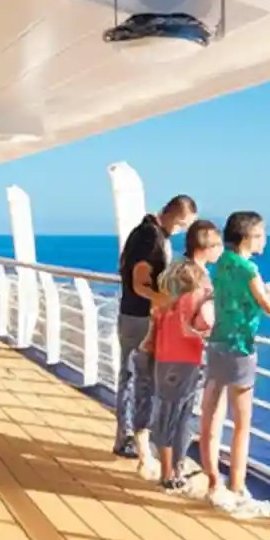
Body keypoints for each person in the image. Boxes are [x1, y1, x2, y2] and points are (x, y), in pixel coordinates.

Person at [200, 211, 270, 518]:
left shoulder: (224, 262)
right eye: (262, 234)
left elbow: (243, 298)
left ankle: (214, 484)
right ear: (247, 237)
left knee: (212, 418)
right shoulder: (248, 268)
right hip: (240, 348)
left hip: (217, 343)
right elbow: (269, 308)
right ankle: (237, 488)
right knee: (241, 424)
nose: (265, 240)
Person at [115, 195, 197, 463]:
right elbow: (140, 283)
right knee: (135, 377)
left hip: (133, 314)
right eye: (183, 224)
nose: (182, 230)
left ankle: (130, 435)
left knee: (135, 376)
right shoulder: (150, 238)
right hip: (138, 317)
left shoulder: (147, 232)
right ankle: (128, 436)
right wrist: (170, 301)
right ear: (173, 215)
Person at [150, 259, 215, 493]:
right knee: (179, 418)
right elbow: (201, 325)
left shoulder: (166, 304)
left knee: (168, 416)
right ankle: (170, 473)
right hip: (186, 363)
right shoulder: (193, 299)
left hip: (164, 361)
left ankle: (171, 470)